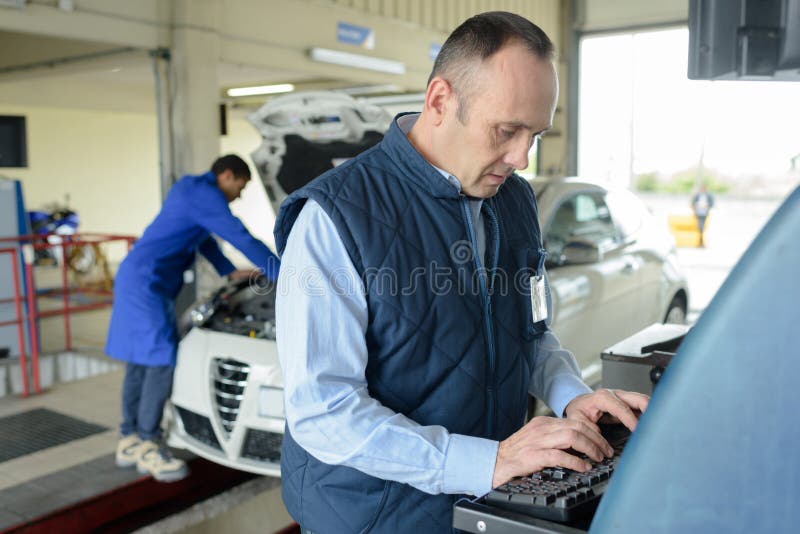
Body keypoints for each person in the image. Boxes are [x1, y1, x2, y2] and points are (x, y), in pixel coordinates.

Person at [274, 12, 649, 532]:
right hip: (371, 518)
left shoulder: (513, 200)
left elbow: (530, 332)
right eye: (506, 130)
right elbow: (324, 410)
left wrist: (571, 395)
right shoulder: (335, 218)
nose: (521, 156)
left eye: (535, 134)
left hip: (483, 506)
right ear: (440, 101)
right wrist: (486, 462)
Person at [107, 154, 280, 482]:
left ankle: (128, 439)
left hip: (138, 278)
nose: (239, 195)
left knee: (139, 362)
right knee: (159, 360)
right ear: (226, 175)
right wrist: (284, 273)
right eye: (239, 187)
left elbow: (204, 241)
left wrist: (229, 272)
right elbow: (240, 236)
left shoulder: (191, 190)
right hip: (147, 286)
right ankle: (148, 442)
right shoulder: (205, 196)